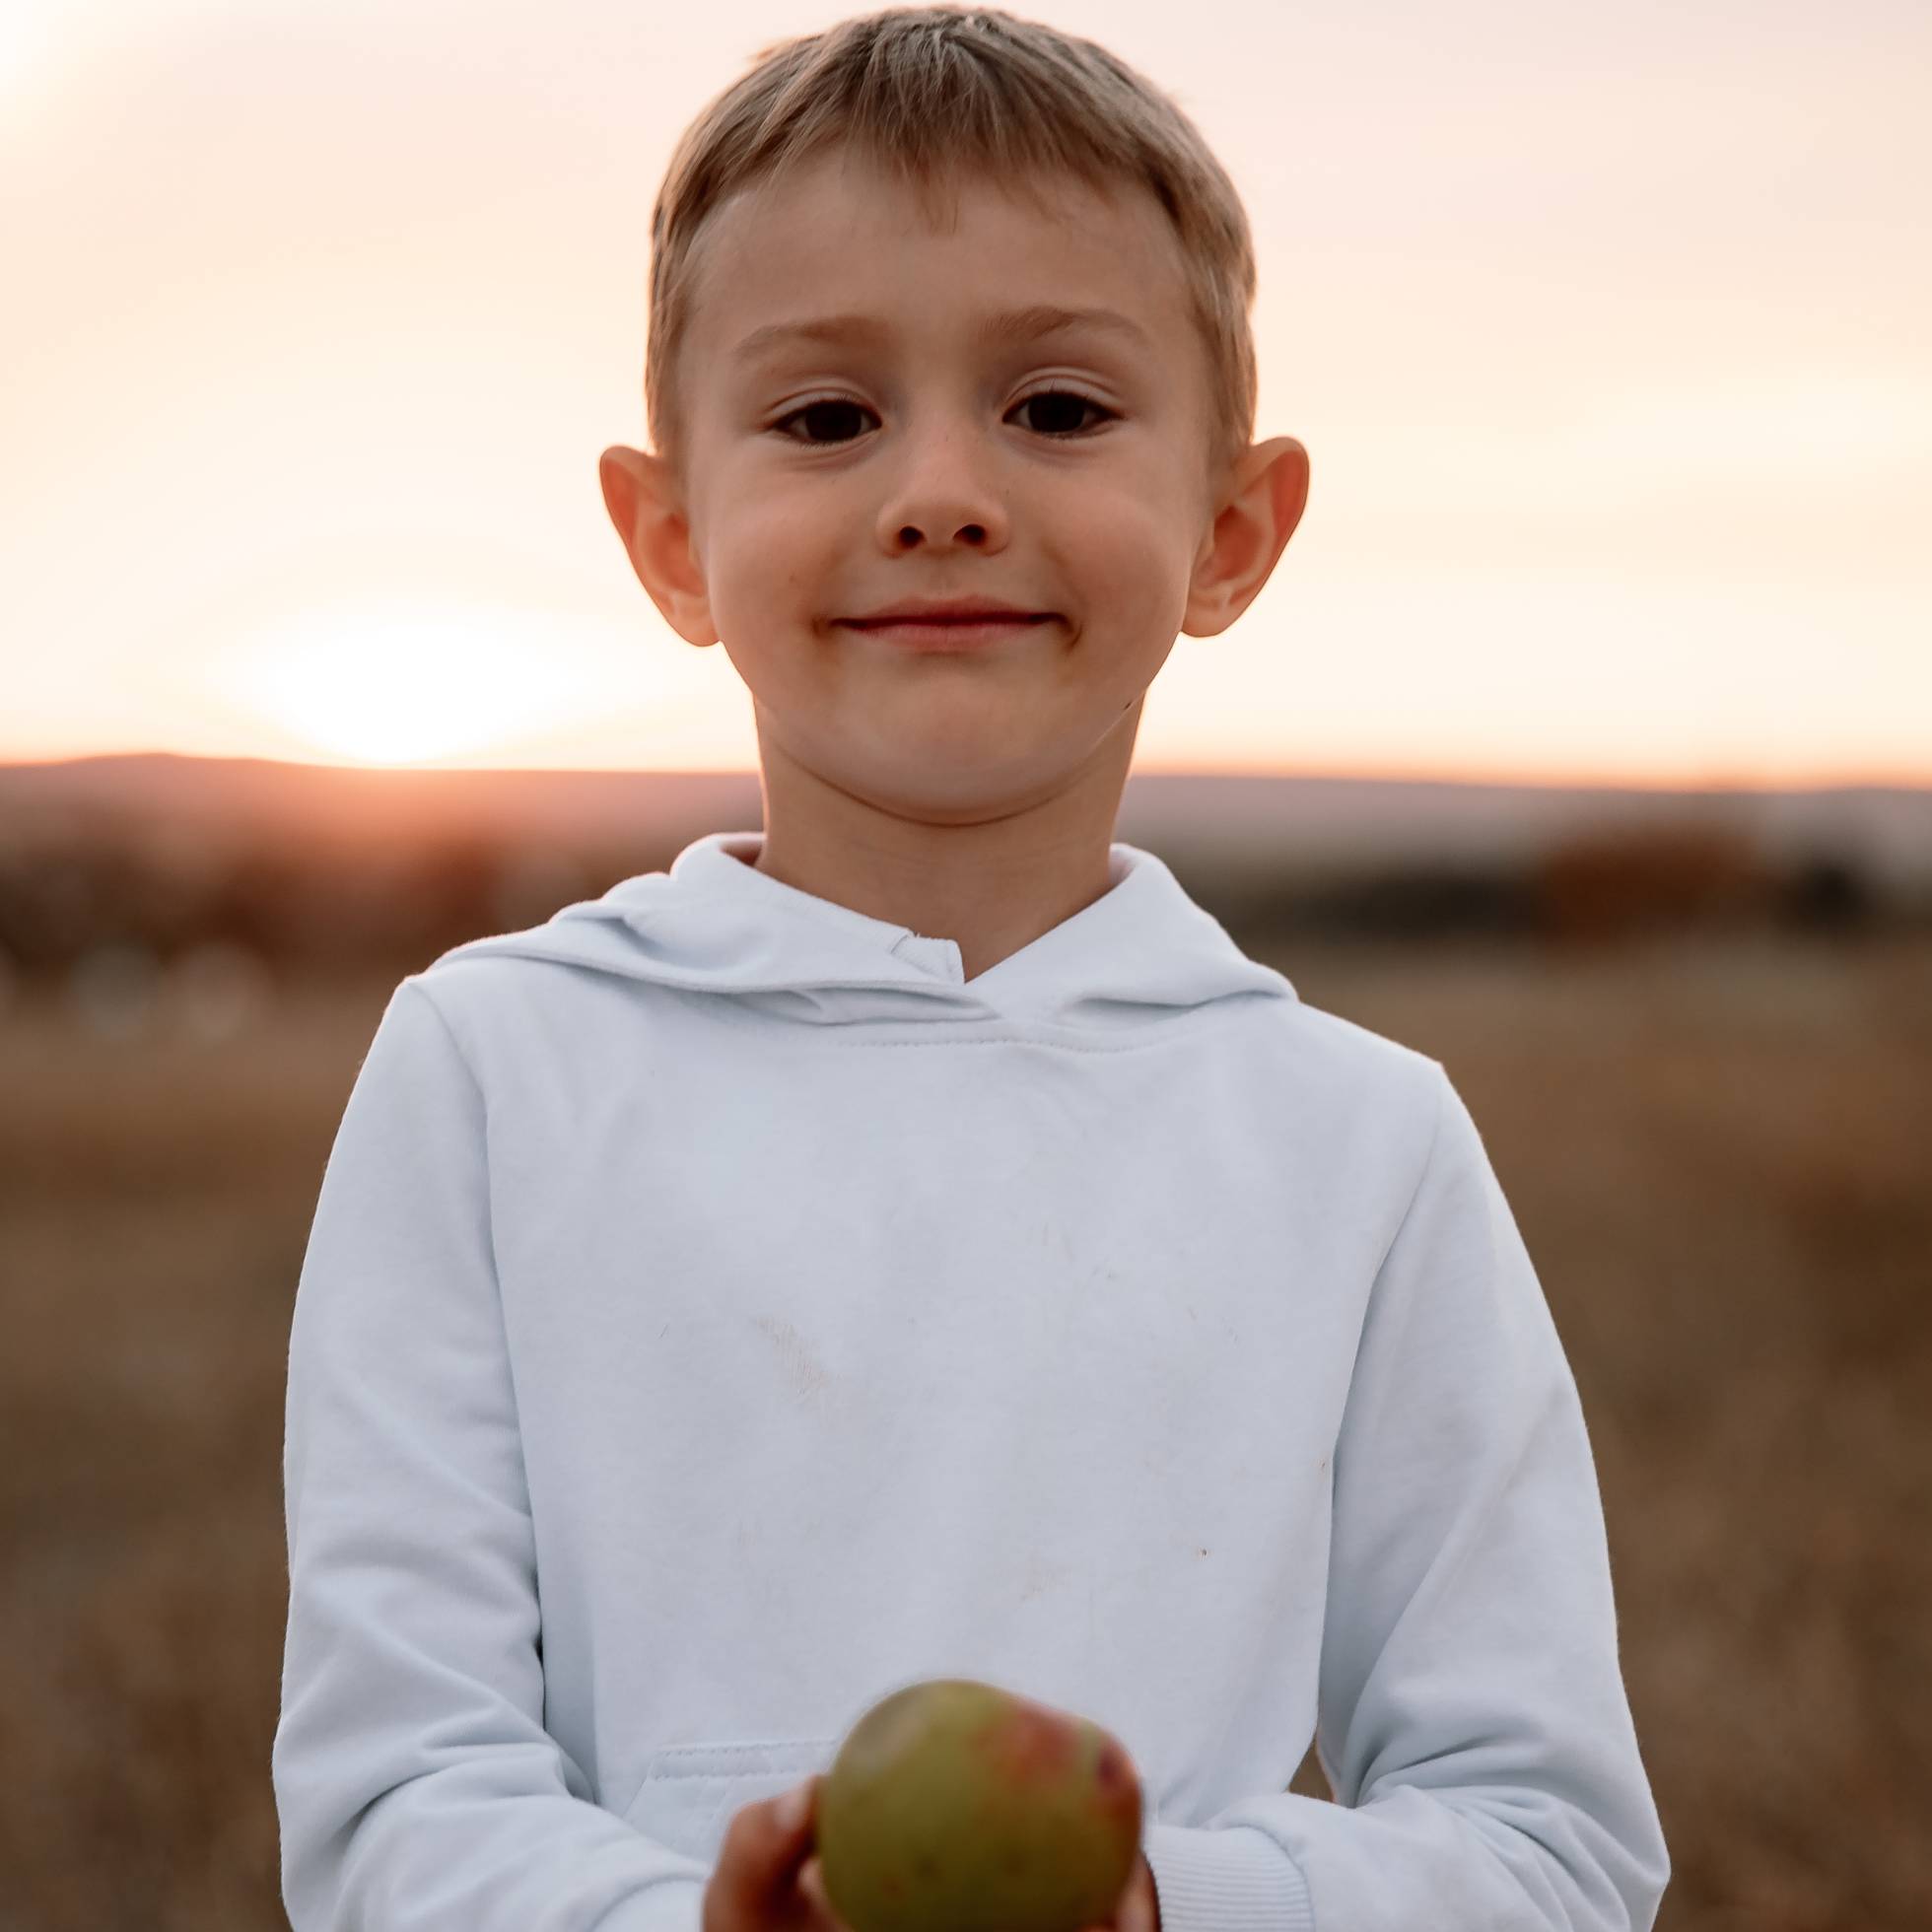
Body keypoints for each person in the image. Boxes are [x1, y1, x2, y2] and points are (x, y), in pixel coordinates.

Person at [271, 8, 1671, 1931]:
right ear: (670, 538)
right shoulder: (493, 1072)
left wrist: (1164, 1900)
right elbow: (394, 1800)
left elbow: (1547, 1837)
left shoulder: (1355, 1141)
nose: (938, 489)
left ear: (1233, 529)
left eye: (1059, 408)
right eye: (826, 416)